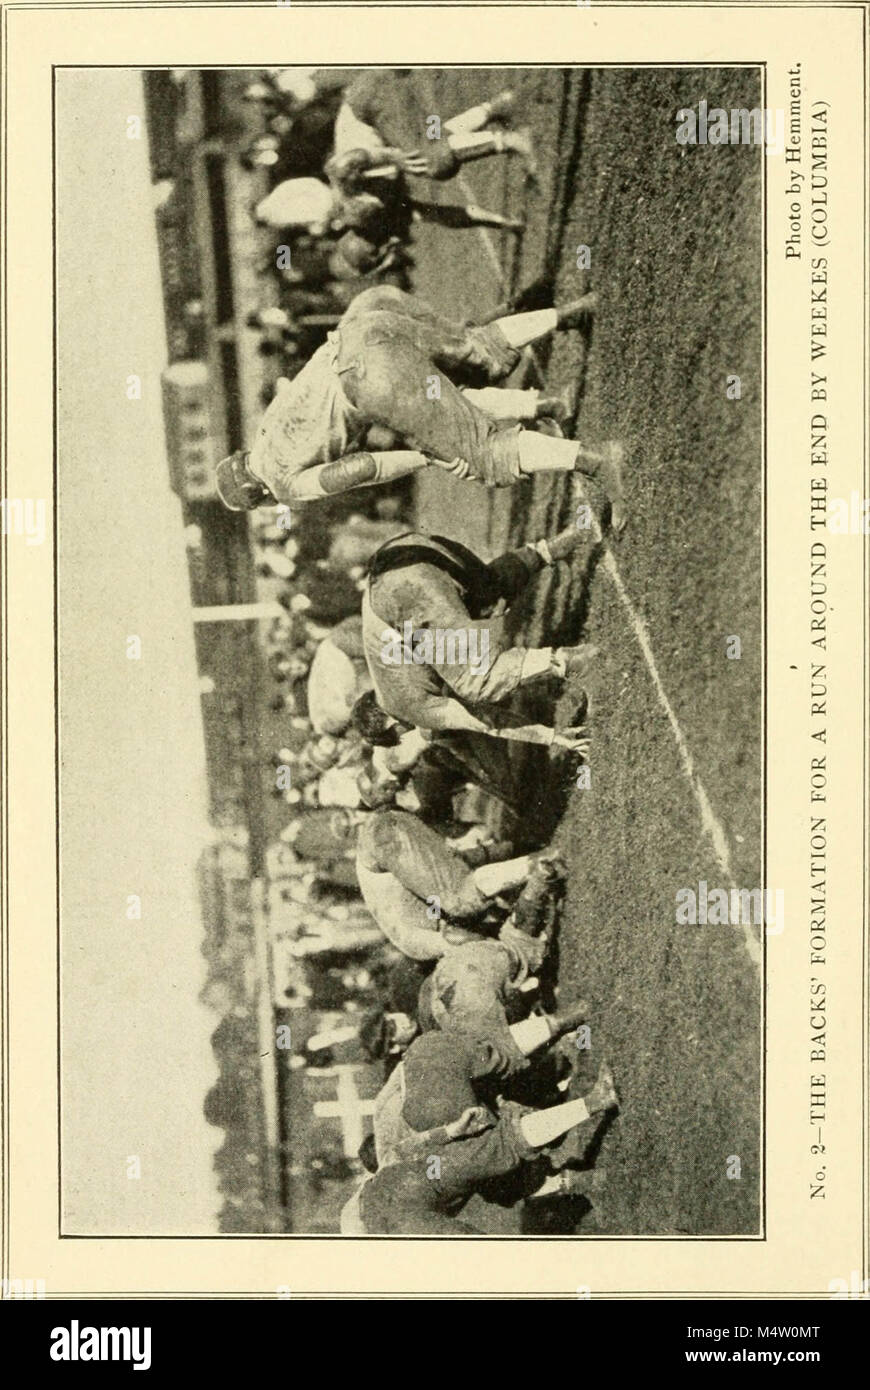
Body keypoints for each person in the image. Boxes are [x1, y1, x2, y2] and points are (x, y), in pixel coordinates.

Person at [213, 284, 625, 520]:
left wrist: (427, 457)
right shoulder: (266, 425)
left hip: (367, 379)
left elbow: (360, 468)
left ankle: (595, 459)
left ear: (260, 496)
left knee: (483, 456)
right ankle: (574, 312)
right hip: (363, 330)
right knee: (476, 348)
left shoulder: (284, 484)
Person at [342, 1028, 618, 1234]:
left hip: (409, 1184)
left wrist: (450, 1131)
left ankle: (593, 1102)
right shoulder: (385, 1174)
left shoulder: (391, 1148)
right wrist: (449, 1132)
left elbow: (399, 1153)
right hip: (403, 1189)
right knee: (501, 1155)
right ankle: (582, 1169)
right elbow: (399, 1153)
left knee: (502, 1151)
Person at [360, 527, 598, 747]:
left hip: (399, 591)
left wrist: (551, 736)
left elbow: (485, 721)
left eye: (403, 734)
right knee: (488, 599)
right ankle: (565, 540)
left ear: (390, 724)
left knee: (474, 682)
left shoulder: (400, 706)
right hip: (403, 551)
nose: (413, 730)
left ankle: (572, 661)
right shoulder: (382, 672)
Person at [354, 805, 562, 965]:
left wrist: (515, 953)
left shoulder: (419, 941)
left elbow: (457, 938)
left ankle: (545, 862)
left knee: (461, 899)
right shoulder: (427, 911)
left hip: (379, 842)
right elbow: (458, 863)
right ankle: (538, 857)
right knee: (458, 893)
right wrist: (512, 849)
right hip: (380, 832)